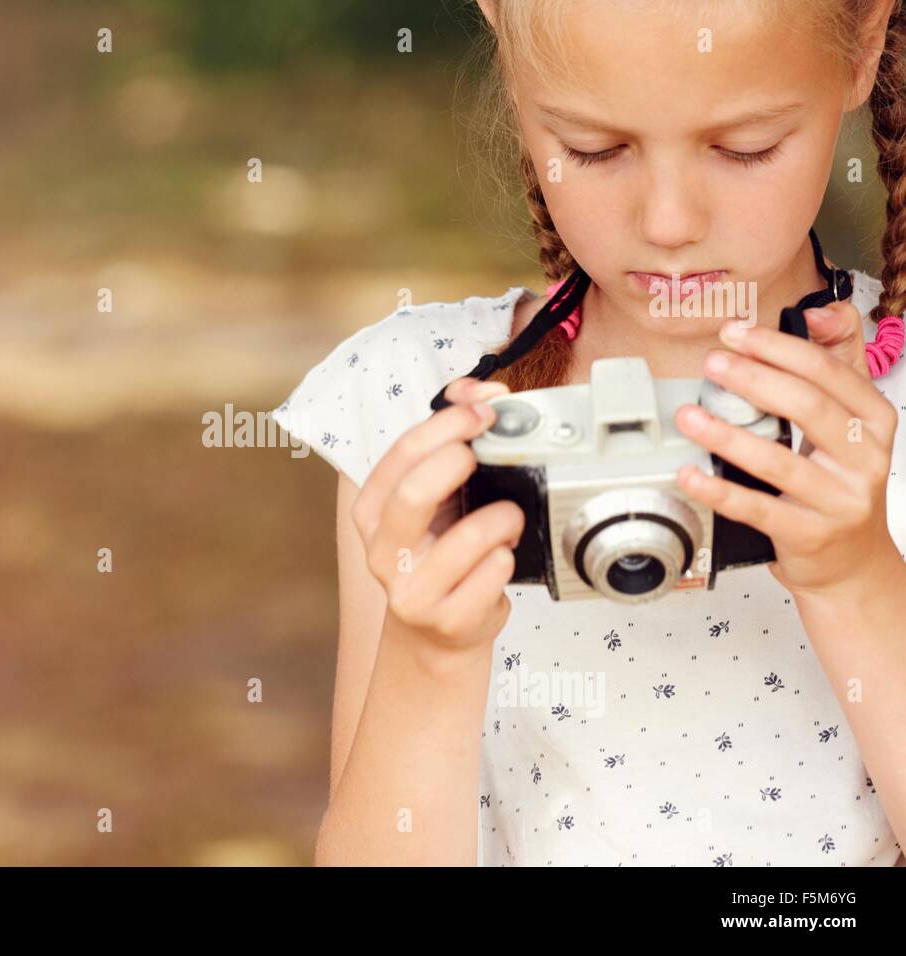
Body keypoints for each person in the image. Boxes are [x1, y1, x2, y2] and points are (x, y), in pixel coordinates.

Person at [271, 0, 906, 866]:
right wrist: (429, 656)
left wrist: (857, 579)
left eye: (745, 146)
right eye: (596, 150)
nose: (669, 222)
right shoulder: (425, 399)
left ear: (865, 41)